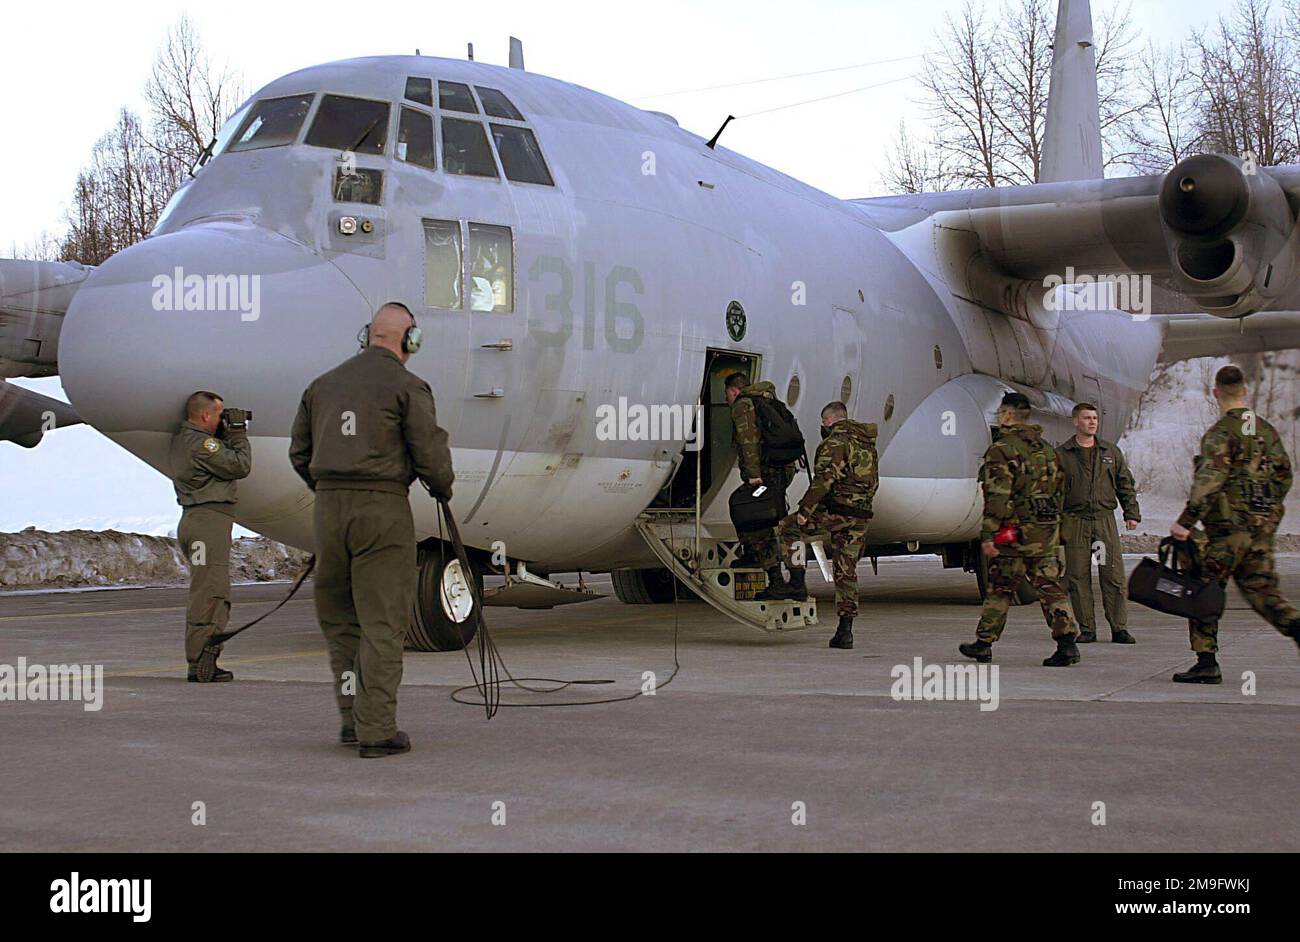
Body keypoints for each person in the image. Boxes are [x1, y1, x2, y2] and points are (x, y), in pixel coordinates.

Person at [289, 302, 454, 757]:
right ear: (409, 340)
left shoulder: (321, 386)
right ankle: (377, 730)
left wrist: (331, 488)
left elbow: (299, 453)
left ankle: (351, 721)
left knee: (342, 621)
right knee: (382, 622)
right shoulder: (408, 386)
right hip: (381, 510)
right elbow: (430, 455)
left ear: (368, 335)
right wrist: (442, 486)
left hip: (328, 509)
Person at [1169, 365, 1300, 683]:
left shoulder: (1220, 433)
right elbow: (1284, 476)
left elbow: (1210, 480)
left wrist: (1186, 521)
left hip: (1227, 533)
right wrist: (1267, 515)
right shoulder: (1266, 431)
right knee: (1262, 591)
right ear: (1245, 391)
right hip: (1259, 531)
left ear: (1215, 393)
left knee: (1201, 587)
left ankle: (1206, 661)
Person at [960, 392, 1081, 667]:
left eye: (1000, 413)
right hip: (1046, 529)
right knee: (1050, 586)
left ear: (1007, 415)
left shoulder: (1002, 450)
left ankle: (984, 643)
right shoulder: (1047, 450)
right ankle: (1067, 643)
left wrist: (989, 535)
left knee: (1001, 587)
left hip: (1016, 534)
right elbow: (1060, 490)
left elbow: (997, 497)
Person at [776, 402, 877, 649]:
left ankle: (797, 581)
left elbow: (823, 481)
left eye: (823, 423)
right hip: (860, 515)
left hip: (836, 511)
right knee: (846, 570)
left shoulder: (834, 443)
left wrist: (805, 511)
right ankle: (845, 630)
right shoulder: (866, 444)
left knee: (788, 529)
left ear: (829, 421)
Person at [168, 391, 252, 683]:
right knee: (211, 591)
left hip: (196, 520)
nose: (221, 420)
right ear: (205, 416)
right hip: (208, 523)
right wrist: (239, 433)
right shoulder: (202, 443)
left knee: (206, 588)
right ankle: (202, 660)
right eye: (218, 415)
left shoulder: (185, 440)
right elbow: (240, 465)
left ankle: (200, 656)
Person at [1056, 403, 1141, 644]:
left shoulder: (1110, 453)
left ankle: (1119, 628)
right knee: (1078, 577)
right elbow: (1055, 491)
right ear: (1076, 422)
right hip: (1076, 522)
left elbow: (1125, 484)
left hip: (1103, 521)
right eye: (1086, 418)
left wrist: (1131, 513)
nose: (1092, 422)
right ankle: (1088, 629)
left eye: (1094, 418)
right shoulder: (1063, 454)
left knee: (1112, 574)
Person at [725, 372, 801, 600]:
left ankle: (775, 580)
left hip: (765, 475)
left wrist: (754, 475)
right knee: (767, 520)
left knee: (754, 518)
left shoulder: (743, 405)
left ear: (733, 391)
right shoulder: (770, 401)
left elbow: (748, 440)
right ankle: (793, 580)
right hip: (782, 471)